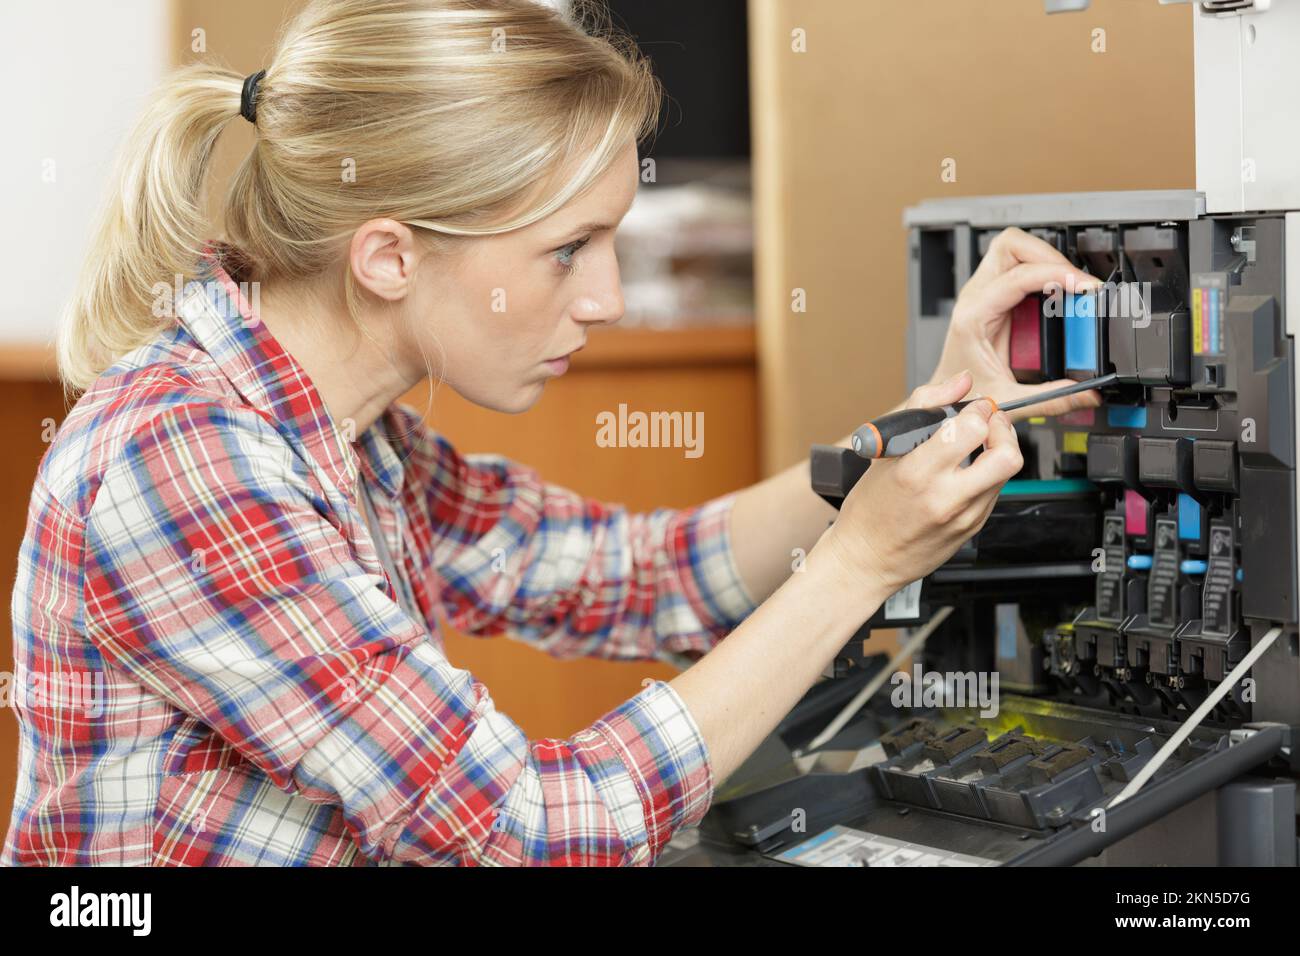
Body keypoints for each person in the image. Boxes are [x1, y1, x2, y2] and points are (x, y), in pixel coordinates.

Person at [3, 0, 1101, 866]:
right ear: (388, 257)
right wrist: (860, 561)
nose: (608, 298)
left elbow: (643, 574)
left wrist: (930, 410)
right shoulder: (187, 466)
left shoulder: (352, 438)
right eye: (570, 249)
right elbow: (534, 830)